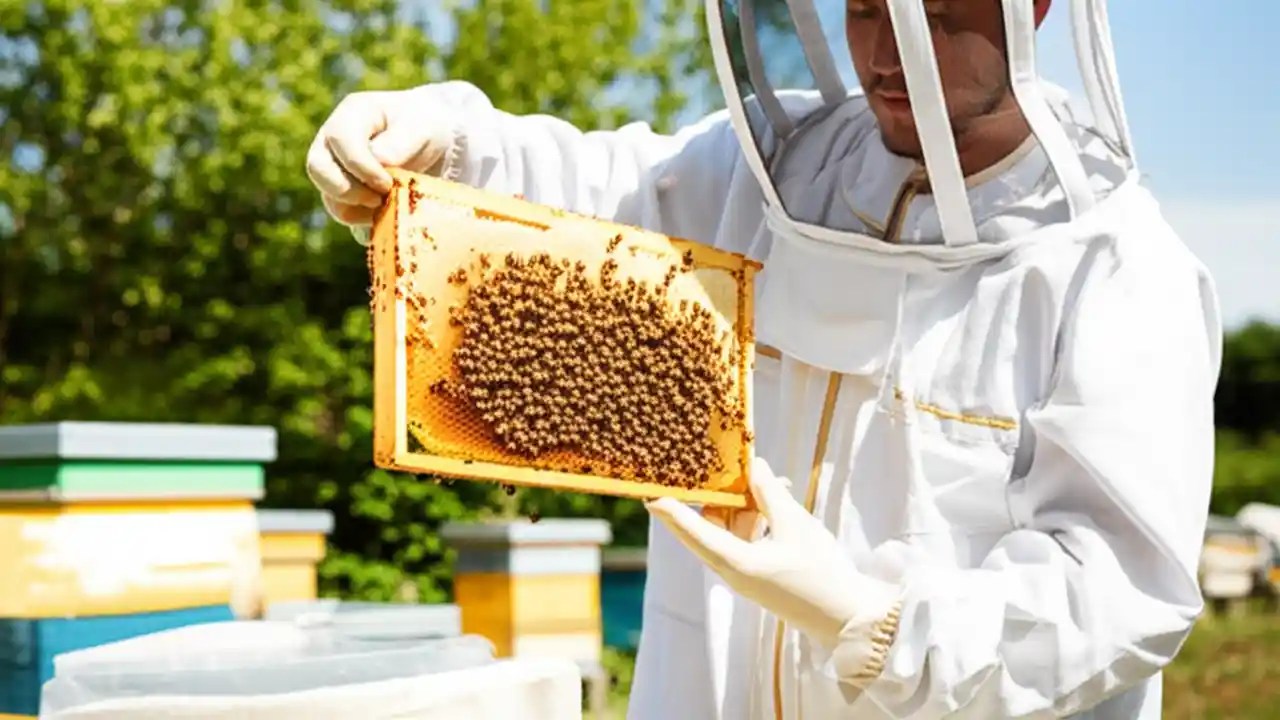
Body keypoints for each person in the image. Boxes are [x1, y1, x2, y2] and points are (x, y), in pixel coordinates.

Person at [305, 0, 1223, 717]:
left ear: (1033, 14)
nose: (887, 56)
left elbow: (1116, 596)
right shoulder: (781, 169)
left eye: (937, 19)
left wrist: (870, 623)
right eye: (865, 13)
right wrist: (449, 146)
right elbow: (600, 200)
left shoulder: (1116, 271)